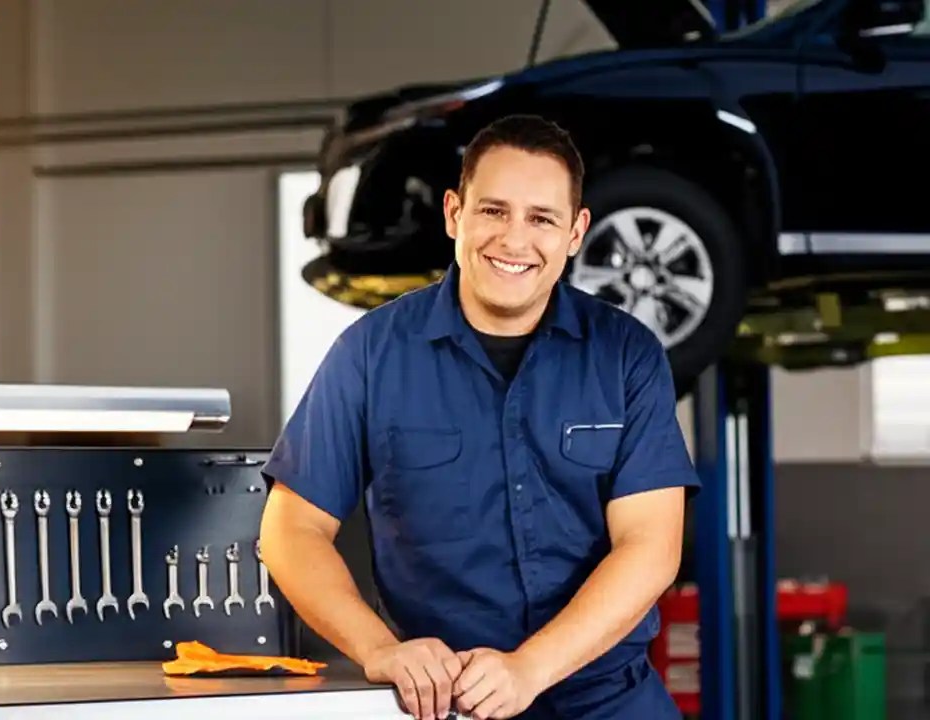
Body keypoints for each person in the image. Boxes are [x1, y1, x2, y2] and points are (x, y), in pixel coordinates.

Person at [258, 114, 700, 720]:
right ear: (453, 214)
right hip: (444, 704)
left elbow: (650, 545)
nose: (515, 240)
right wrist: (380, 650)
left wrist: (530, 669)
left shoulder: (625, 356)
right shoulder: (369, 355)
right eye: (493, 211)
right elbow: (290, 532)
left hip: (610, 698)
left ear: (575, 232)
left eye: (542, 218)